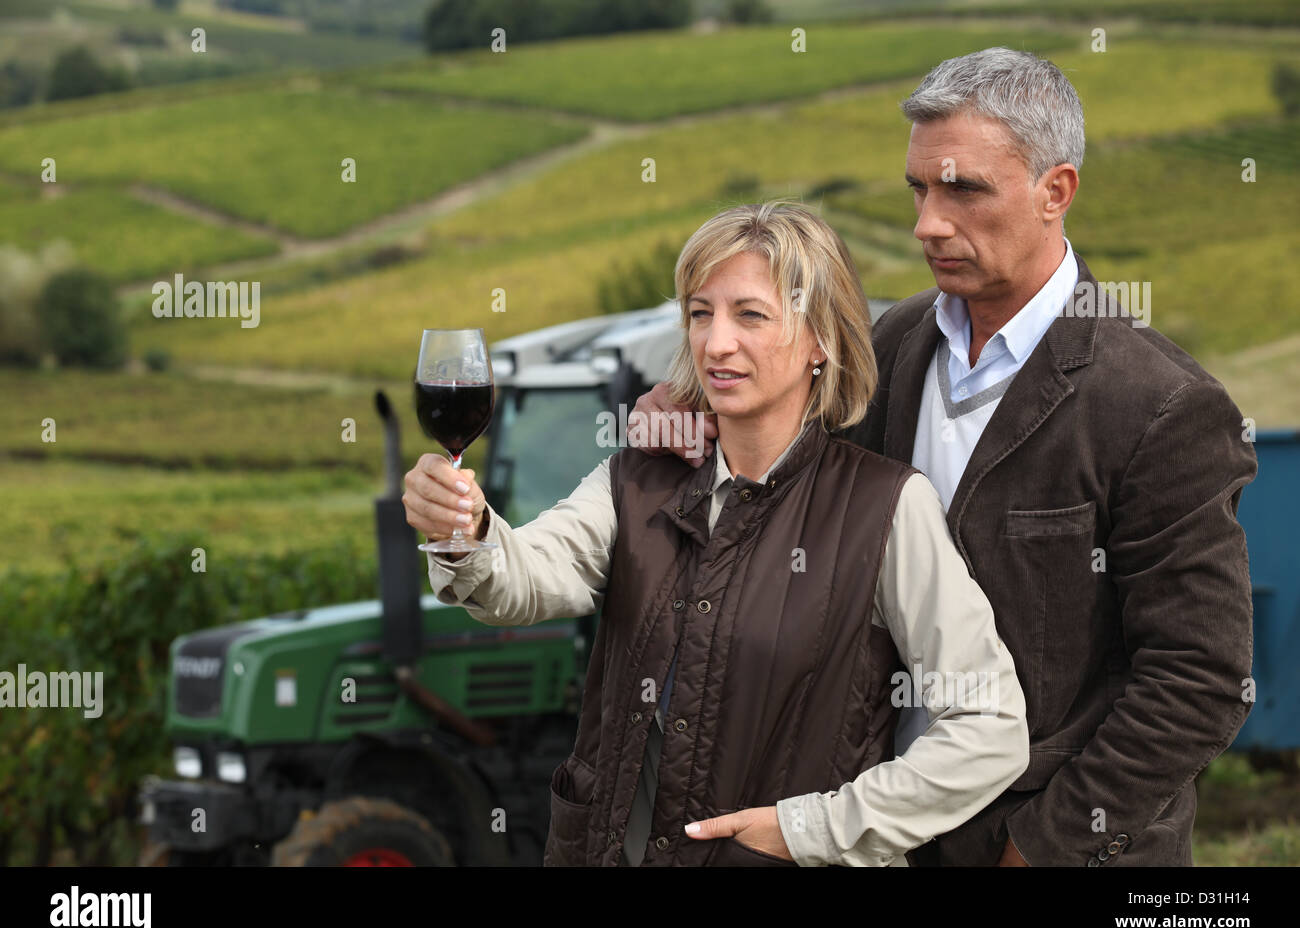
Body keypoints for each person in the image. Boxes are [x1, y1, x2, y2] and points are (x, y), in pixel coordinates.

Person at [633, 49, 1257, 866]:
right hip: (880, 831)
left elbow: (1197, 680)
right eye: (919, 189)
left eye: (963, 189)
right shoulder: (891, 345)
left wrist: (1038, 848)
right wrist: (690, 417)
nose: (928, 221)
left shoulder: (1160, 405)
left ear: (1054, 191)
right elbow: (792, 488)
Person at [402, 200, 1029, 866]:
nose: (716, 342)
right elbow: (518, 581)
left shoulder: (888, 508)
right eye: (701, 313)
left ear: (821, 339)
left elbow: (990, 729)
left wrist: (811, 829)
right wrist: (464, 530)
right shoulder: (635, 481)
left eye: (750, 315)